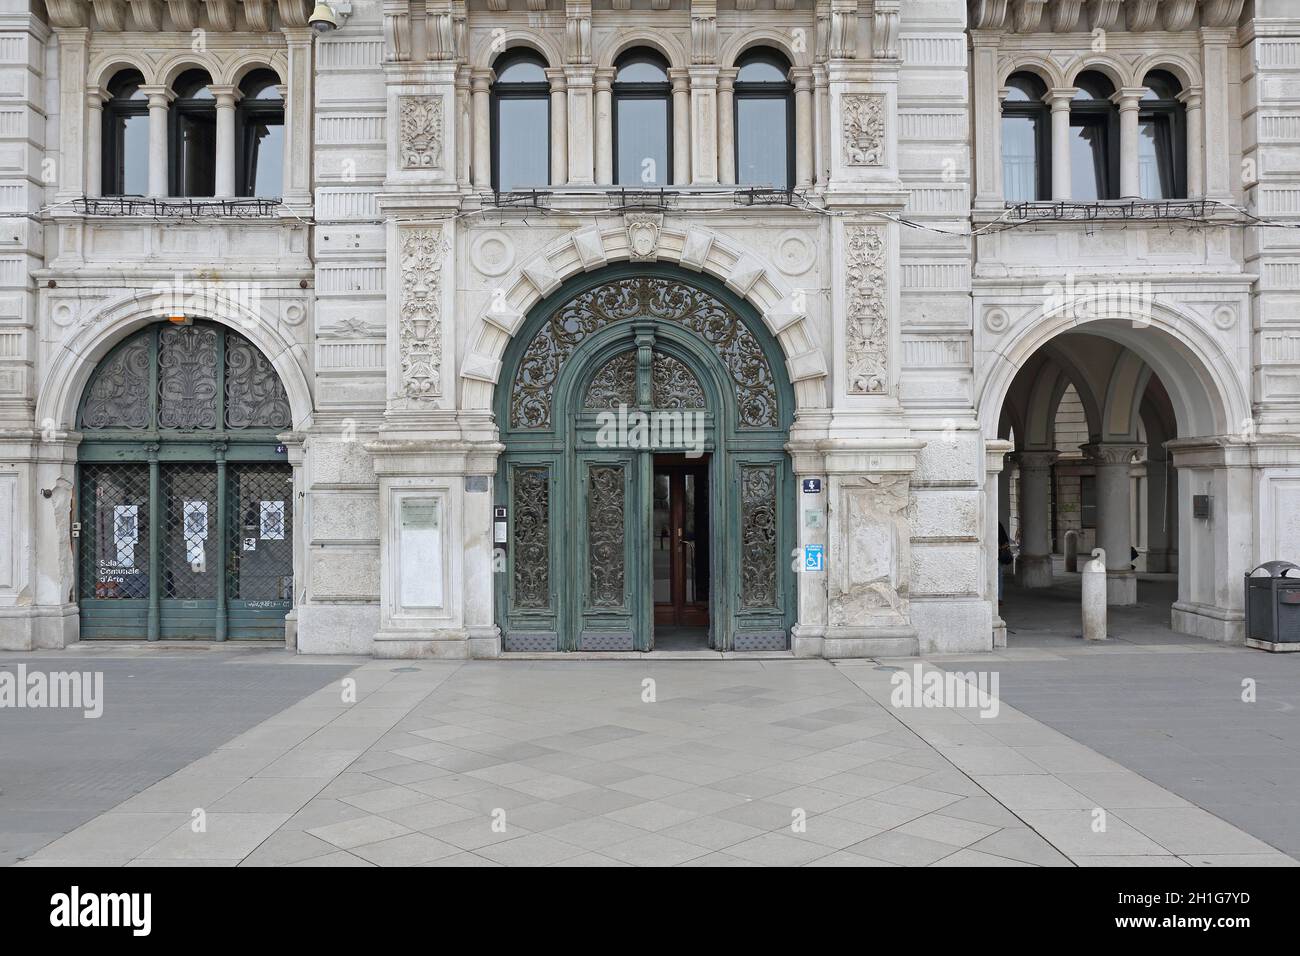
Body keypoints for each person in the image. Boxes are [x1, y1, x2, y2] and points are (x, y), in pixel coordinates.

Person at [998, 522, 1014, 603]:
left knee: (999, 576)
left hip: (997, 555)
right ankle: (999, 598)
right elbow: (1005, 541)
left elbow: (1005, 542)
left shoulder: (997, 525)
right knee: (999, 576)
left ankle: (999, 598)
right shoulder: (998, 524)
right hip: (998, 554)